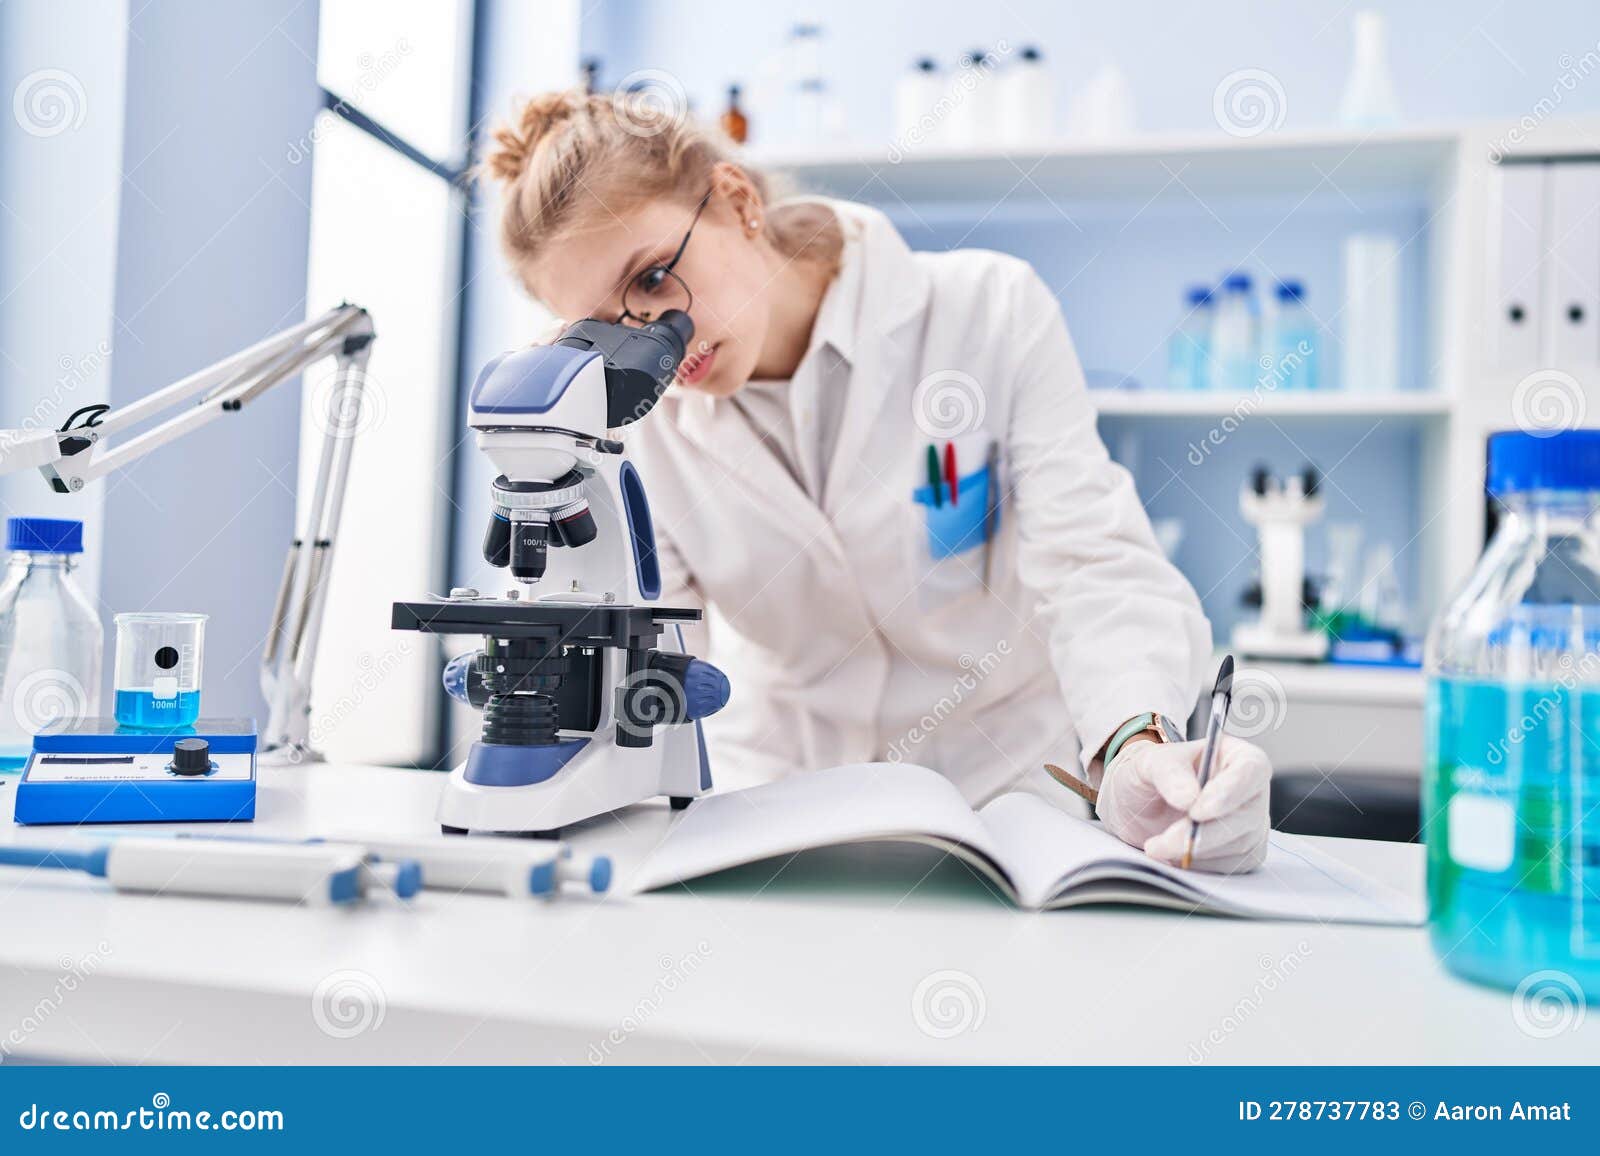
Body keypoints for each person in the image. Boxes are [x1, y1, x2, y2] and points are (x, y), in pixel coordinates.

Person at [482, 89, 1271, 873]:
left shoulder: (989, 313)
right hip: (778, 810)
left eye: (655, 278)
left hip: (1008, 800)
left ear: (737, 200)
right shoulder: (638, 426)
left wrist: (1136, 746)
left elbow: (1092, 563)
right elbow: (661, 648)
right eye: (604, 327)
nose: (653, 344)